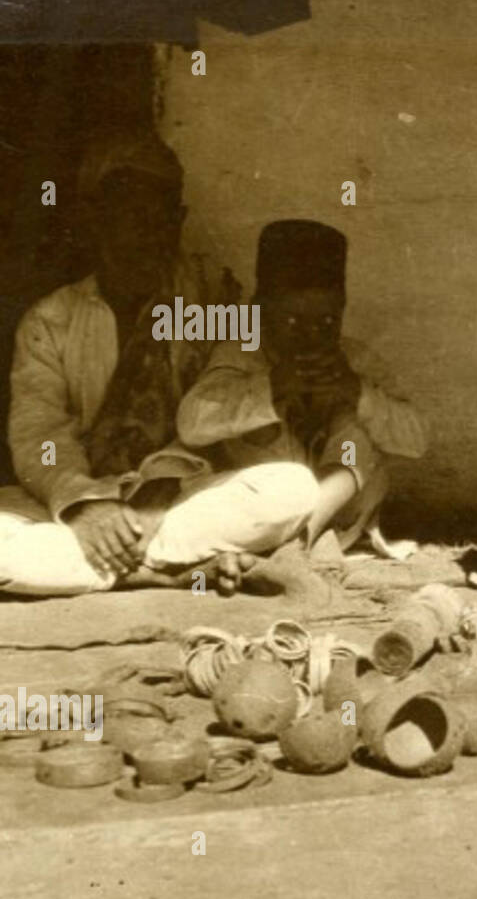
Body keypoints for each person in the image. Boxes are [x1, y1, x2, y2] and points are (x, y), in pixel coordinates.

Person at [1, 132, 319, 596]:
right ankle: (171, 571)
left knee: (293, 488)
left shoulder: (215, 301)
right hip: (76, 503)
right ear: (93, 221)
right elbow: (39, 437)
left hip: (178, 497)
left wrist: (158, 492)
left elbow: (217, 407)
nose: (141, 236)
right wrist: (85, 505)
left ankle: (107, 567)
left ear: (178, 220)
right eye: (124, 217)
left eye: (156, 219)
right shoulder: (50, 320)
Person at [176, 220, 426, 557]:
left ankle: (301, 540)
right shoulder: (242, 352)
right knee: (265, 446)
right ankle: (297, 543)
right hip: (271, 512)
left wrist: (358, 394)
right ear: (261, 311)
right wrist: (271, 389)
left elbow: (418, 440)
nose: (313, 336)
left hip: (337, 518)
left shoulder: (355, 359)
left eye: (327, 322)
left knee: (352, 433)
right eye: (294, 322)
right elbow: (190, 425)